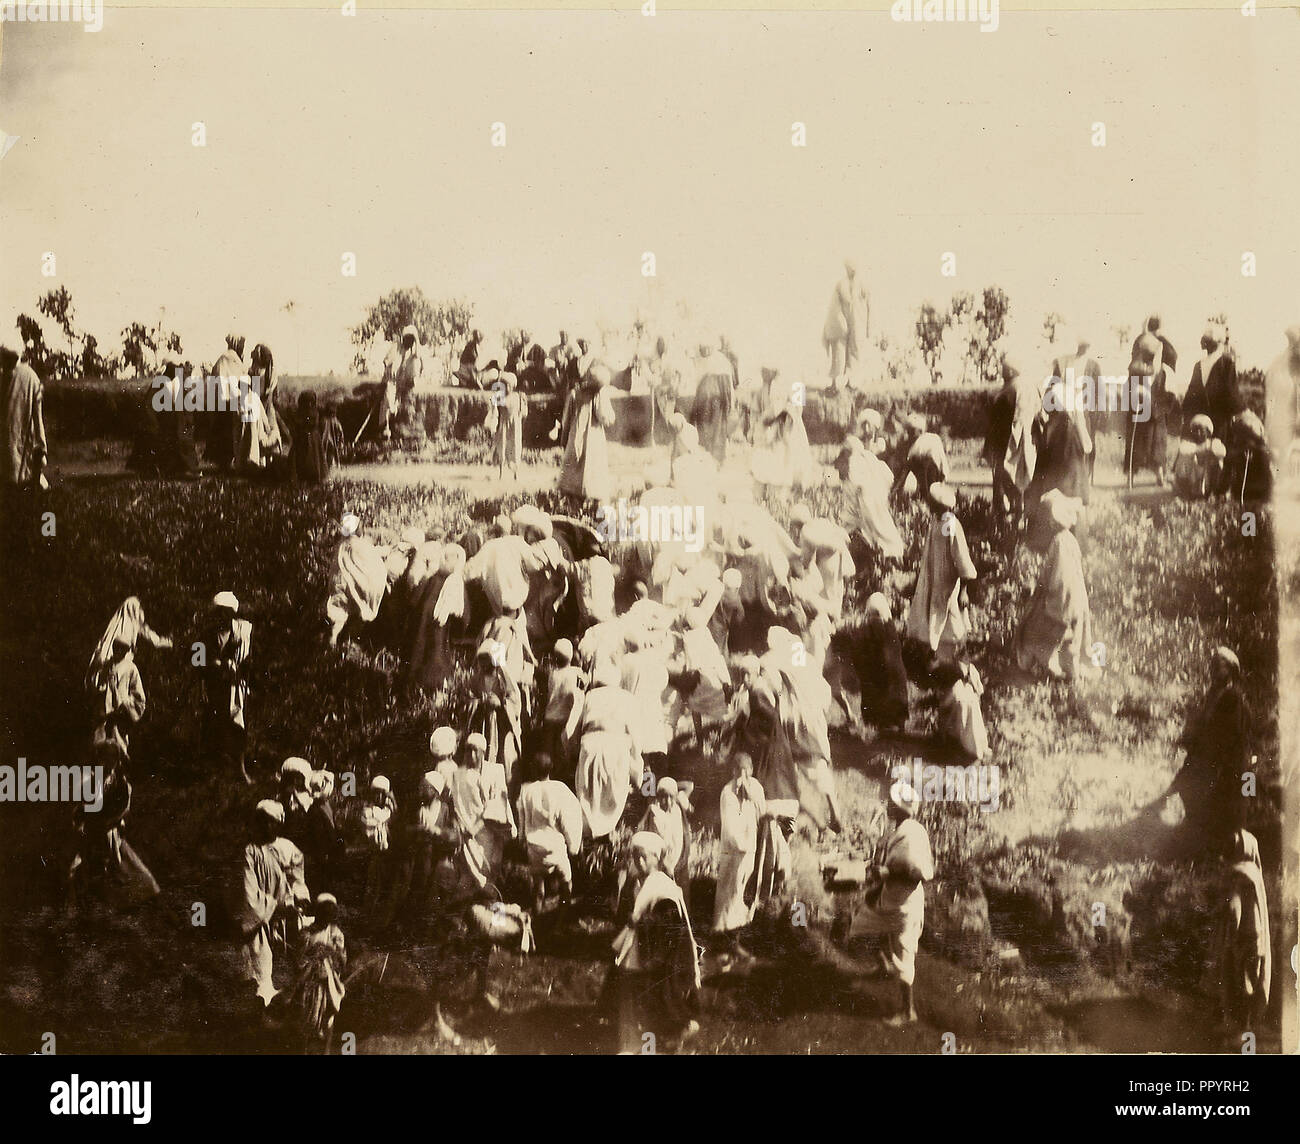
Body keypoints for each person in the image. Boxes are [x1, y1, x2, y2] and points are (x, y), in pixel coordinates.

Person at [841, 781, 933, 1025]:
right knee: (859, 928)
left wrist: (885, 873)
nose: (888, 805)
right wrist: (880, 879)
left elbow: (916, 872)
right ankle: (883, 966)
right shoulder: (902, 829)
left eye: (892, 803)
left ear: (901, 808)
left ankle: (907, 1011)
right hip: (889, 898)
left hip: (904, 905)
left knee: (904, 959)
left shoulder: (911, 834)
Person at [607, 831, 701, 1053]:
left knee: (650, 1000)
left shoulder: (662, 887)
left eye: (641, 856)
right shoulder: (641, 883)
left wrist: (639, 922)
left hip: (664, 957)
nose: (636, 861)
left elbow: (669, 929)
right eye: (634, 856)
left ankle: (654, 1039)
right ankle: (634, 1041)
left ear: (653, 859)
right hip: (645, 950)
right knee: (629, 992)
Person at [1169, 647, 1250, 856]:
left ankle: (1215, 837)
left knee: (1209, 793)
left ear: (1230, 671)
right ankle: (1199, 827)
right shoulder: (1214, 695)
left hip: (1230, 766)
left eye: (1218, 667)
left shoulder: (1233, 699)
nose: (1213, 671)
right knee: (1187, 784)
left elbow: (1229, 739)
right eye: (1212, 666)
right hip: (1211, 757)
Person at [67, 741, 160, 911]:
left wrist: (108, 826)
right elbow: (77, 809)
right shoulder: (89, 781)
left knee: (132, 873)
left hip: (110, 834)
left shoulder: (122, 785)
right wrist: (80, 825)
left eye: (113, 759)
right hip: (89, 834)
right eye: (104, 759)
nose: (109, 764)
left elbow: (123, 811)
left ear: (118, 761)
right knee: (74, 870)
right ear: (98, 759)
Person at [1013, 493, 1092, 682]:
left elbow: (1062, 580)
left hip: (1063, 601)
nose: (1047, 522)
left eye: (1048, 518)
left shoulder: (1060, 543)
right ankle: (1064, 669)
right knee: (1068, 640)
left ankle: (1045, 666)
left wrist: (1048, 598)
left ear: (1054, 521)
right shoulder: (1067, 539)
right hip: (1073, 599)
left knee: (1033, 629)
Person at [235, 799, 301, 1006]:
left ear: (279, 824)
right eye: (263, 822)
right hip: (263, 915)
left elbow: (297, 877)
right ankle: (262, 998)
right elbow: (249, 889)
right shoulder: (250, 851)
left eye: (272, 822)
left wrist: (297, 898)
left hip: (285, 910)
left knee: (298, 951)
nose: (267, 827)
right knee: (259, 956)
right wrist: (273, 905)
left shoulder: (287, 847)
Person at [906, 483, 977, 668]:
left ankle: (957, 656)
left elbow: (960, 556)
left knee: (950, 616)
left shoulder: (950, 524)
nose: (928, 504)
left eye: (932, 502)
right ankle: (936, 654)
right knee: (934, 614)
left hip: (947, 581)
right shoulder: (937, 521)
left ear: (940, 505)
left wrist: (964, 590)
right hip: (933, 578)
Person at [573, 664, 643, 843]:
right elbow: (634, 735)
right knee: (613, 790)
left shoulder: (590, 696)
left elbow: (577, 727)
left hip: (591, 744)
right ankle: (607, 832)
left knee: (588, 792)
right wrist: (636, 760)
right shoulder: (627, 698)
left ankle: (591, 833)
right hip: (615, 746)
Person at [713, 754, 765, 965]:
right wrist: (741, 846)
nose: (742, 775)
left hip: (749, 851)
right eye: (738, 770)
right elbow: (730, 826)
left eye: (746, 770)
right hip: (732, 852)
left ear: (751, 770)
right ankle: (723, 946)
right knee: (727, 898)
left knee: (741, 896)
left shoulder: (756, 788)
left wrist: (751, 797)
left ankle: (735, 942)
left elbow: (762, 812)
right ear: (733, 771)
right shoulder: (728, 793)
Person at [1218, 829, 1271, 1036]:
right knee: (1252, 978)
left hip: (1241, 935)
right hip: (1257, 936)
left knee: (1239, 979)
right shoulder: (1254, 873)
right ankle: (1249, 1024)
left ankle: (1241, 1026)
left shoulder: (1237, 873)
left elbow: (1234, 906)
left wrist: (1229, 927)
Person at [201, 591, 253, 783]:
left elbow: (248, 659)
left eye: (225, 612)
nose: (221, 616)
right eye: (218, 612)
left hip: (235, 685)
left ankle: (241, 768)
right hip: (215, 685)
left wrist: (235, 666)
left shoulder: (243, 631)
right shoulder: (208, 634)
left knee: (238, 727)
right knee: (214, 725)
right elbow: (199, 662)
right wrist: (203, 685)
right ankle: (216, 768)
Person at [0, 345, 48, 552]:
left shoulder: (7, 377)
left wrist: (40, 447)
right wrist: (41, 447)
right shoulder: (32, 377)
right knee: (27, 498)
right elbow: (38, 419)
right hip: (22, 448)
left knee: (14, 500)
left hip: (11, 449)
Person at [517, 752, 584, 896]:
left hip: (534, 850)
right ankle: (563, 914)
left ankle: (536, 916)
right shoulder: (559, 789)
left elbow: (521, 820)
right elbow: (569, 819)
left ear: (533, 769)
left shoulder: (526, 790)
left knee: (538, 886)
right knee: (566, 881)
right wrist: (573, 847)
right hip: (556, 849)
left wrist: (522, 840)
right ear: (551, 768)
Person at [984, 354, 1037, 533]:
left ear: (1012, 370)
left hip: (1008, 443)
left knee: (1007, 479)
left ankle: (1008, 521)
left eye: (1005, 369)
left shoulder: (1011, 389)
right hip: (1024, 441)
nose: (1002, 372)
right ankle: (1018, 516)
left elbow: (1003, 422)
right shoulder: (1027, 386)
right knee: (1021, 479)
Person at [287, 893, 347, 1053]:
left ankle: (326, 1050)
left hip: (328, 984)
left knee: (328, 1017)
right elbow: (298, 958)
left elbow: (341, 959)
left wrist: (329, 955)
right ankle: (304, 1050)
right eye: (323, 915)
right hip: (311, 984)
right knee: (307, 1018)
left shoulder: (336, 934)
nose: (325, 919)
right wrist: (314, 956)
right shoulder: (307, 933)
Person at [405, 543, 467, 692]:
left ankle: (418, 684)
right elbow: (464, 615)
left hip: (428, 623)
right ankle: (432, 685)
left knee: (424, 651)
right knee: (435, 653)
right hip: (438, 624)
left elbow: (414, 601)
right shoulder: (455, 581)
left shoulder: (436, 578)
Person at [1125, 316, 1178, 486]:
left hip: (1147, 394)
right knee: (1156, 438)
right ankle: (1153, 473)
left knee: (1149, 438)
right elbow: (1172, 357)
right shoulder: (1159, 344)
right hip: (1151, 393)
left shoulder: (1140, 340)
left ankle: (1138, 474)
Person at [835, 436, 905, 562]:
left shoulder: (857, 464)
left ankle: (887, 556)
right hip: (856, 512)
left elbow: (864, 498)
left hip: (863, 510)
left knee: (877, 529)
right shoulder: (859, 463)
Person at [850, 593, 909, 734]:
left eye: (873, 615)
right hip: (886, 673)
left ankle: (889, 725)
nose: (871, 618)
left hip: (886, 674)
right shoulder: (886, 626)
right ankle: (890, 725)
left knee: (886, 695)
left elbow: (883, 657)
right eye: (870, 615)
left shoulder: (881, 628)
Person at [326, 514, 388, 646]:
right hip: (351, 583)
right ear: (356, 529)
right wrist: (386, 550)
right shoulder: (359, 544)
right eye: (360, 527)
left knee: (341, 609)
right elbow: (372, 556)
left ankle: (334, 637)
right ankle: (349, 639)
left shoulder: (341, 543)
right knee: (361, 607)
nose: (362, 529)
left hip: (338, 581)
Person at [559, 362, 616, 500]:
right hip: (592, 436)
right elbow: (606, 418)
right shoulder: (592, 395)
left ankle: (577, 494)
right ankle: (584, 495)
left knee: (578, 462)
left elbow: (566, 419)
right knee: (588, 463)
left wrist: (564, 437)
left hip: (578, 434)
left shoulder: (577, 394)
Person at [239, 343, 292, 476]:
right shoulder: (269, 373)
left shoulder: (256, 373)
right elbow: (272, 397)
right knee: (266, 433)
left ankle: (259, 462)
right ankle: (264, 462)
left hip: (262, 408)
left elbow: (258, 395)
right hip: (265, 408)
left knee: (260, 433)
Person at [1183, 322, 1242, 440]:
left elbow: (1189, 400)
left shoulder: (1199, 365)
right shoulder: (1227, 363)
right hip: (1218, 427)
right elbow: (1232, 397)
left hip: (1199, 429)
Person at [537, 638, 585, 775]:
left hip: (550, 717)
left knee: (549, 753)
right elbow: (584, 681)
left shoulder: (553, 674)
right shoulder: (575, 673)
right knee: (562, 752)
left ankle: (548, 775)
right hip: (564, 718)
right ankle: (562, 776)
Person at [637, 775, 690, 892]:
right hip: (662, 865)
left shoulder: (678, 810)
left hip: (678, 862)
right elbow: (655, 845)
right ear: (658, 797)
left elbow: (689, 786)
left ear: (676, 797)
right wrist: (666, 866)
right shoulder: (655, 814)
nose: (668, 801)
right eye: (663, 797)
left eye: (671, 797)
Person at [822, 259, 869, 387]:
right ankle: (834, 383)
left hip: (857, 322)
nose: (851, 269)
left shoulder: (862, 284)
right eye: (849, 267)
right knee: (838, 352)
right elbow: (834, 306)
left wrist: (867, 327)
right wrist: (839, 322)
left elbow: (868, 304)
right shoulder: (840, 284)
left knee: (854, 352)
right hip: (842, 322)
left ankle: (851, 382)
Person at [689, 343, 734, 466]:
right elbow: (697, 384)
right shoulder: (700, 361)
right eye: (702, 348)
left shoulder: (721, 361)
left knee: (717, 430)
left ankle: (716, 460)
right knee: (704, 430)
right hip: (703, 401)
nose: (704, 350)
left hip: (716, 400)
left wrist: (729, 403)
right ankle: (706, 458)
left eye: (706, 347)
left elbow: (727, 386)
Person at [935, 661, 990, 761]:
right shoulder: (956, 687)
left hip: (961, 712)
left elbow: (979, 691)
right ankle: (967, 747)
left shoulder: (968, 676)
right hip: (953, 716)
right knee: (964, 707)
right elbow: (945, 703)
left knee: (968, 707)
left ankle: (971, 747)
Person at [1172, 414, 1226, 500]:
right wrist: (1204, 448)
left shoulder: (1214, 442)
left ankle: (1213, 492)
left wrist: (1208, 449)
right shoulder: (1188, 443)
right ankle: (1187, 493)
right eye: (1195, 430)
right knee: (1183, 460)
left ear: (1208, 432)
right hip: (1193, 479)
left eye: (1201, 430)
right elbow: (1183, 450)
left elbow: (1222, 452)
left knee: (1218, 462)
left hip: (1207, 477)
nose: (1198, 433)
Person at [487, 369, 525, 482]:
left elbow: (523, 412)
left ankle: (515, 474)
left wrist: (520, 417)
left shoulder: (518, 397)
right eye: (504, 385)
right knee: (502, 448)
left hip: (515, 426)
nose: (506, 388)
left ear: (512, 386)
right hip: (503, 426)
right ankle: (501, 473)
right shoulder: (500, 397)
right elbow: (493, 412)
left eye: (508, 385)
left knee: (515, 447)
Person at [291, 390, 333, 483]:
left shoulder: (315, 412)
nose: (309, 404)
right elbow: (297, 424)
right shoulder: (300, 413)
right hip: (303, 439)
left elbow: (314, 423)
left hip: (313, 439)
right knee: (302, 459)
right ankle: (302, 477)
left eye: (311, 401)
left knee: (315, 459)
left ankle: (315, 477)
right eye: (307, 401)